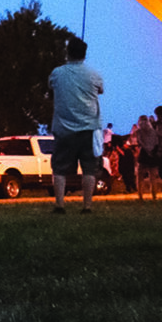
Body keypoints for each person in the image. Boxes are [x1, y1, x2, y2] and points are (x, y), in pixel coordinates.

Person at [47, 36, 103, 213]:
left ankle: (60, 205)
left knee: (60, 169)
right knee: (89, 169)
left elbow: (50, 86)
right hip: (89, 128)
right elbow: (101, 90)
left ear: (67, 52)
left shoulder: (57, 73)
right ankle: (87, 206)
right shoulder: (94, 75)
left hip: (64, 130)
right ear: (84, 54)